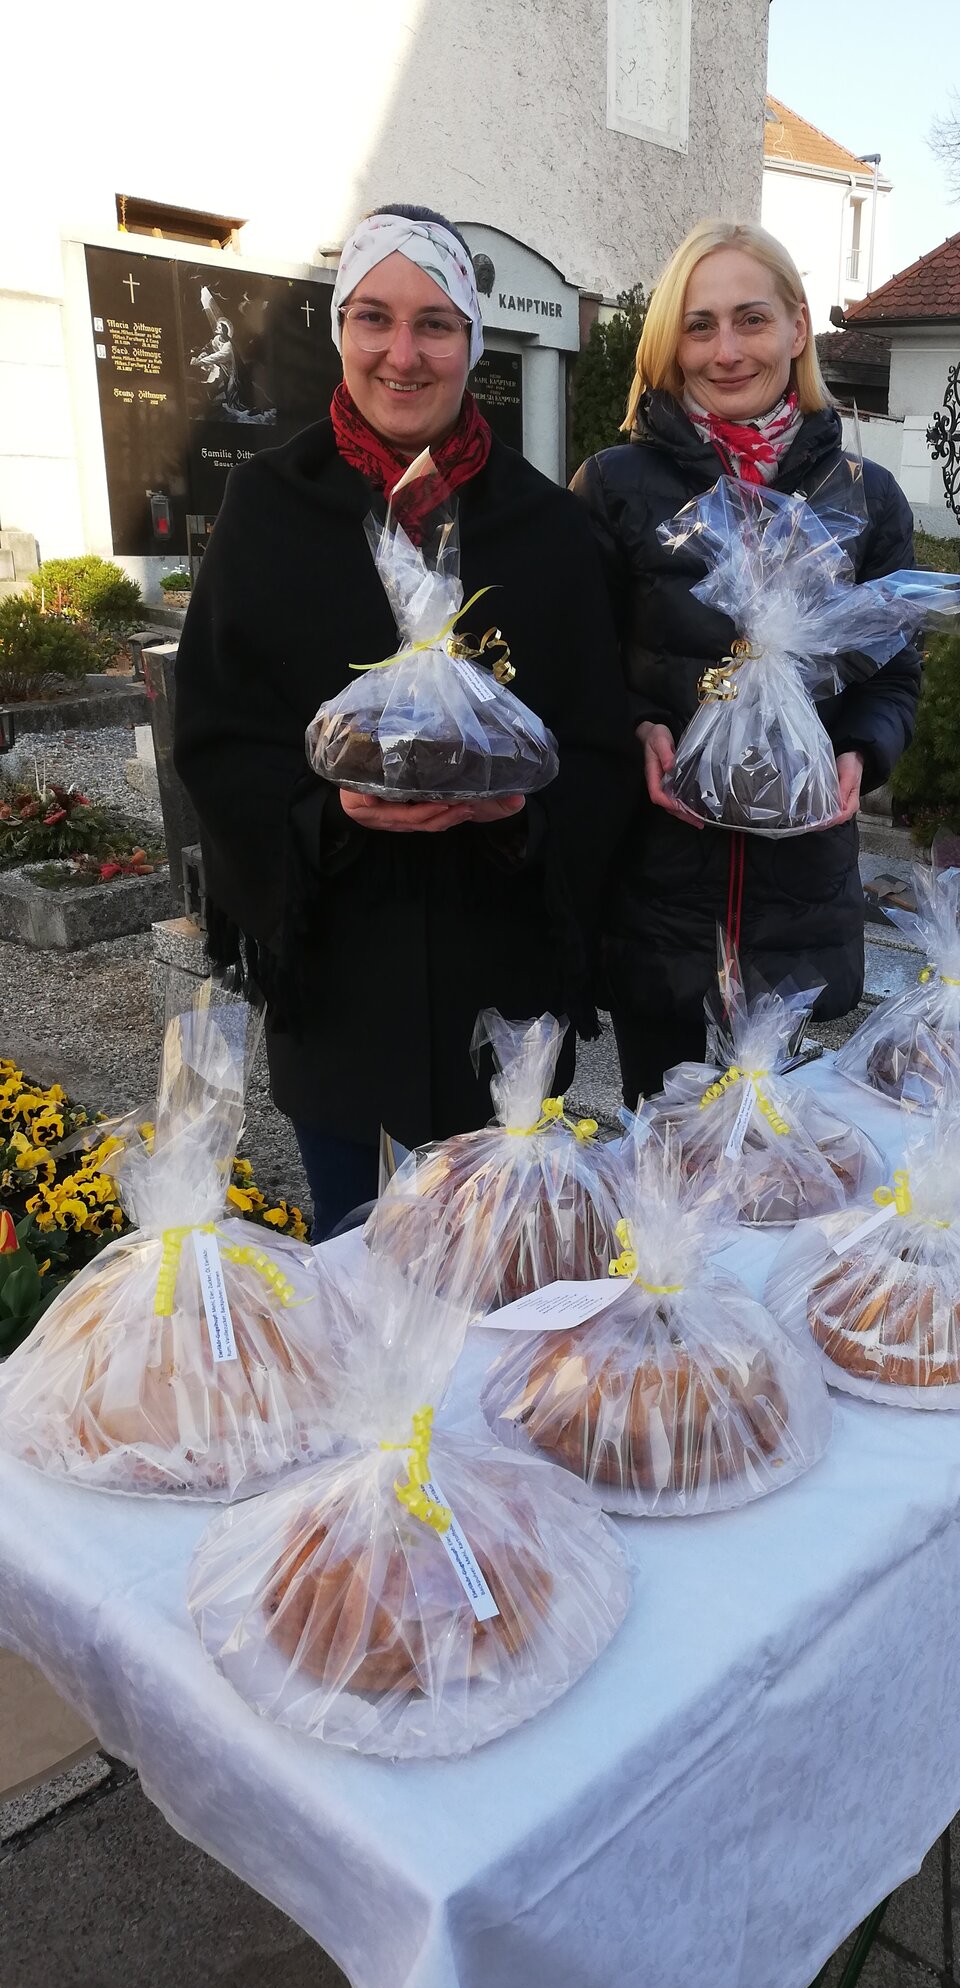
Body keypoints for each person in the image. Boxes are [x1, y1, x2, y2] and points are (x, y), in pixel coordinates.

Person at [175, 205, 637, 1237]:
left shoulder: (550, 529)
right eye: (374, 318)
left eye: (435, 323)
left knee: (507, 1273)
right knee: (365, 1278)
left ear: (474, 338)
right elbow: (213, 738)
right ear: (340, 329)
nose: (403, 352)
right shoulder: (267, 509)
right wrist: (328, 813)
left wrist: (522, 817)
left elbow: (600, 748)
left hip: (504, 1000)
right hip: (341, 992)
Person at [571, 220, 920, 1106]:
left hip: (798, 888)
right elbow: (573, 664)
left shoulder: (865, 497)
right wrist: (634, 725)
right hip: (659, 883)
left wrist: (862, 753)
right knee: (665, 1153)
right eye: (699, 325)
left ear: (798, 329)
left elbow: (893, 673)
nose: (726, 351)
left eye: (751, 320)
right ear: (670, 343)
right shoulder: (615, 485)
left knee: (777, 1167)